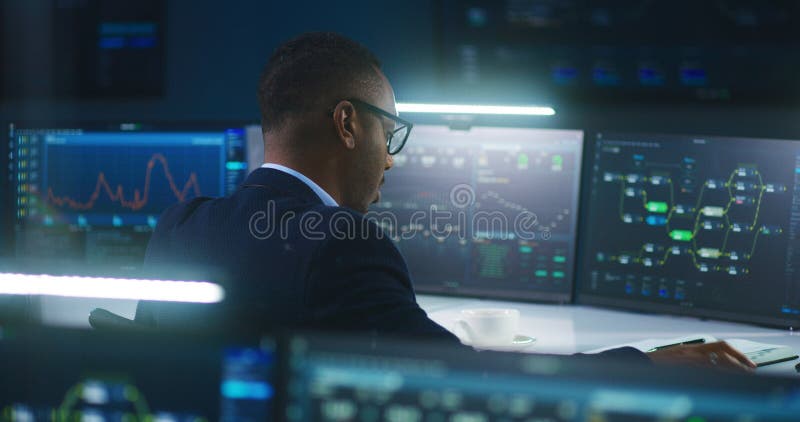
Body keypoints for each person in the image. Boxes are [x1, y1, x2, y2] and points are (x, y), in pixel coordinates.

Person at [136, 32, 754, 371]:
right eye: (391, 133)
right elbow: (473, 390)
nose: (391, 157)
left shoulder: (180, 228)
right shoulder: (343, 246)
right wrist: (654, 364)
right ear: (349, 124)